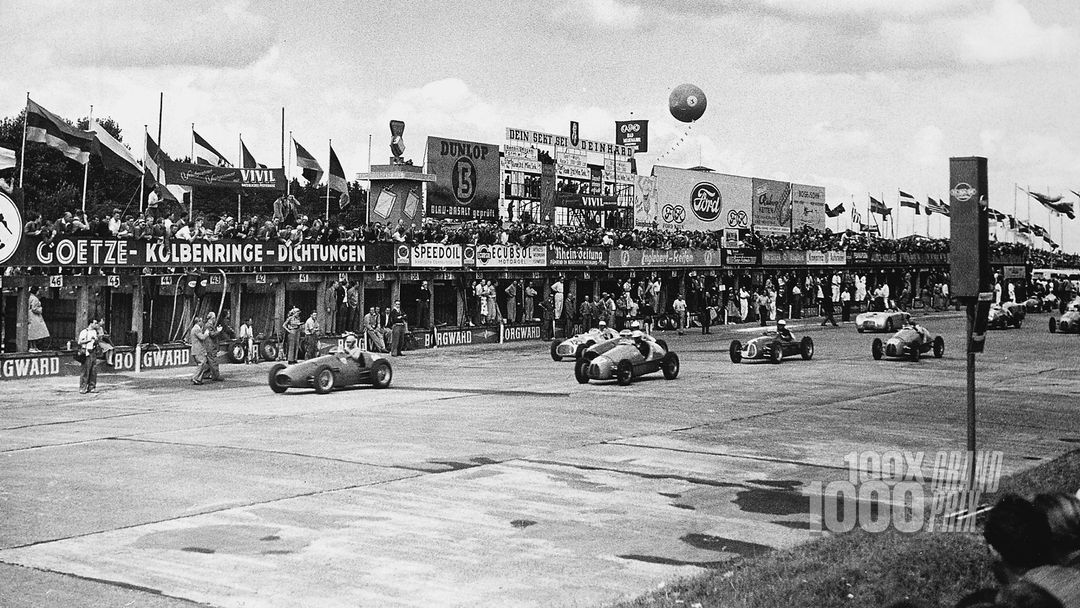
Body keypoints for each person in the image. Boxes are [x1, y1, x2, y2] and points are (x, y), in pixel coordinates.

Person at [77, 318, 102, 393]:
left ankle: (92, 387)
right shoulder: (84, 332)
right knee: (85, 371)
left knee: (93, 371)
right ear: (90, 323)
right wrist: (88, 340)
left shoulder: (94, 332)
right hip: (86, 352)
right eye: (95, 323)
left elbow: (95, 341)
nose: (96, 324)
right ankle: (83, 387)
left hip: (93, 352)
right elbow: (80, 342)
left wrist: (96, 340)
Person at [27, 285, 50, 352]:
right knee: (33, 332)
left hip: (31, 315)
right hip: (34, 316)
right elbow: (34, 308)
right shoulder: (35, 299)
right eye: (38, 291)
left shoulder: (30, 297)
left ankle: (34, 347)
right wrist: (40, 309)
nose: (38, 292)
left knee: (33, 332)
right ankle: (32, 347)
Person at [189, 315, 210, 385]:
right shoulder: (196, 329)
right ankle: (195, 378)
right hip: (198, 350)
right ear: (198, 322)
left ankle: (198, 379)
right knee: (201, 364)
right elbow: (202, 337)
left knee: (202, 364)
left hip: (196, 350)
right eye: (201, 321)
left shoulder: (195, 329)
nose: (203, 322)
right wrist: (206, 333)